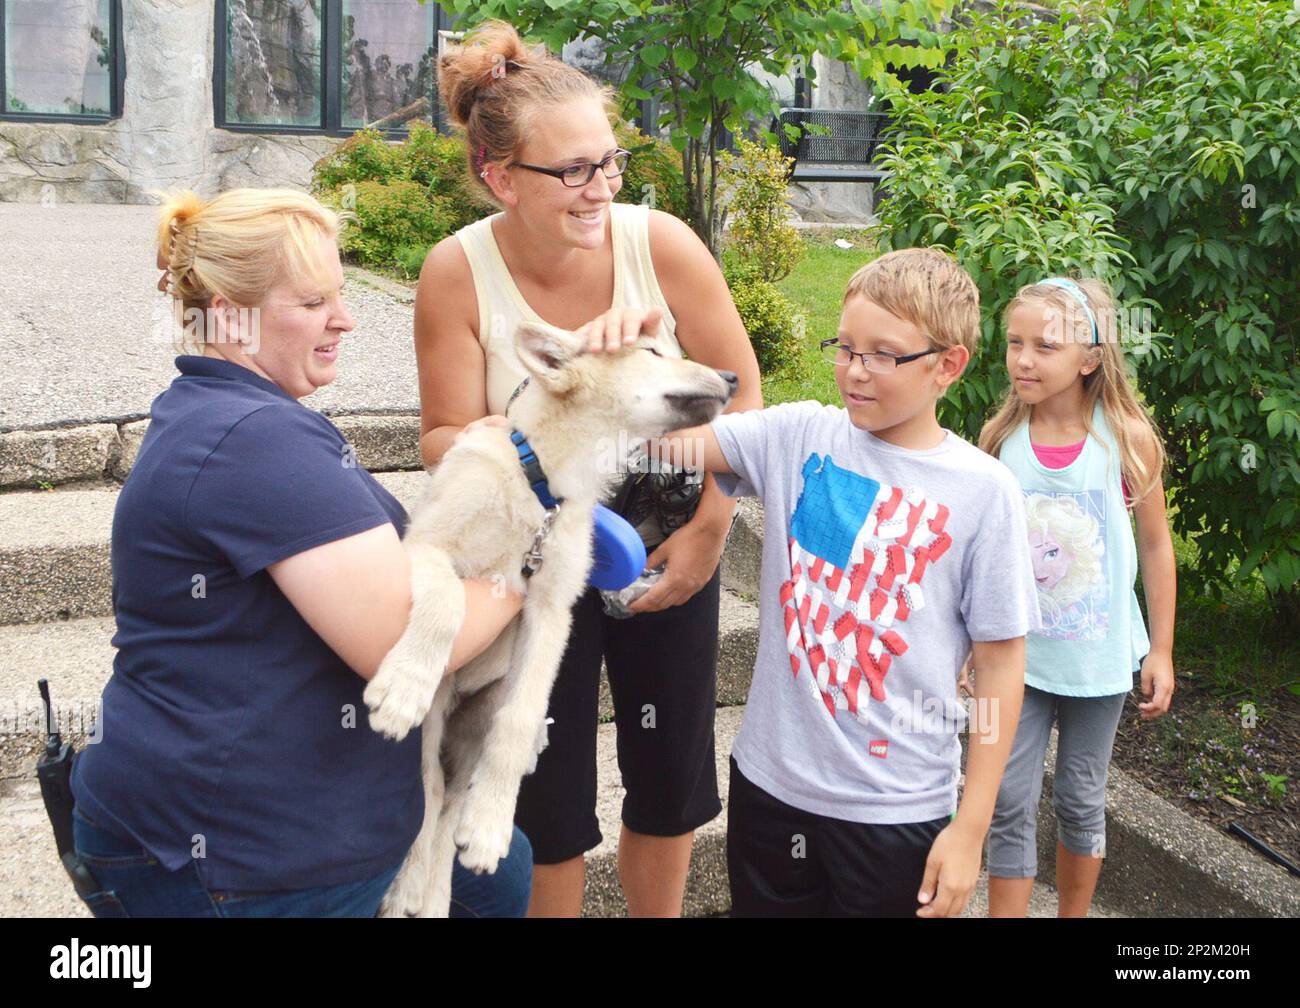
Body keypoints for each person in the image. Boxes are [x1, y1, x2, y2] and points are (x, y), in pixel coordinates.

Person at [69, 187, 532, 918]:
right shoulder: (253, 439)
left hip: (305, 822)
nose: (345, 319)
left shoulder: (228, 413)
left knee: (497, 877)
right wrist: (525, 569)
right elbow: (399, 639)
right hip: (243, 857)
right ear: (228, 312)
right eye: (315, 302)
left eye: (340, 295)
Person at [415, 20, 762, 917]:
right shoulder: (457, 274)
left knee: (670, 778)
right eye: (572, 171)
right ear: (500, 177)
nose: (599, 187)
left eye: (608, 163)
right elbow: (441, 437)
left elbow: (745, 398)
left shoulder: (664, 247)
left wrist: (710, 534)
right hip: (535, 567)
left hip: (668, 551)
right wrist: (543, 425)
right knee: (547, 793)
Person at [658, 247, 1041, 916]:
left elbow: (1002, 663)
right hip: (770, 794)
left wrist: (971, 827)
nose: (855, 372)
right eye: (846, 348)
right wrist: (637, 364)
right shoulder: (798, 437)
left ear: (948, 365)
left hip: (897, 816)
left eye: (883, 355)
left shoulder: (985, 492)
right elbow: (670, 441)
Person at [977, 276, 1175, 917]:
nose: (1024, 359)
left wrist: (1162, 651)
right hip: (1017, 659)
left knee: (1080, 797)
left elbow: (1155, 547)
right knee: (1006, 794)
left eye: (1045, 346)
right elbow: (982, 554)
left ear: (1090, 358)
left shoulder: (1125, 440)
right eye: (1014, 343)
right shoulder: (1000, 441)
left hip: (1099, 662)